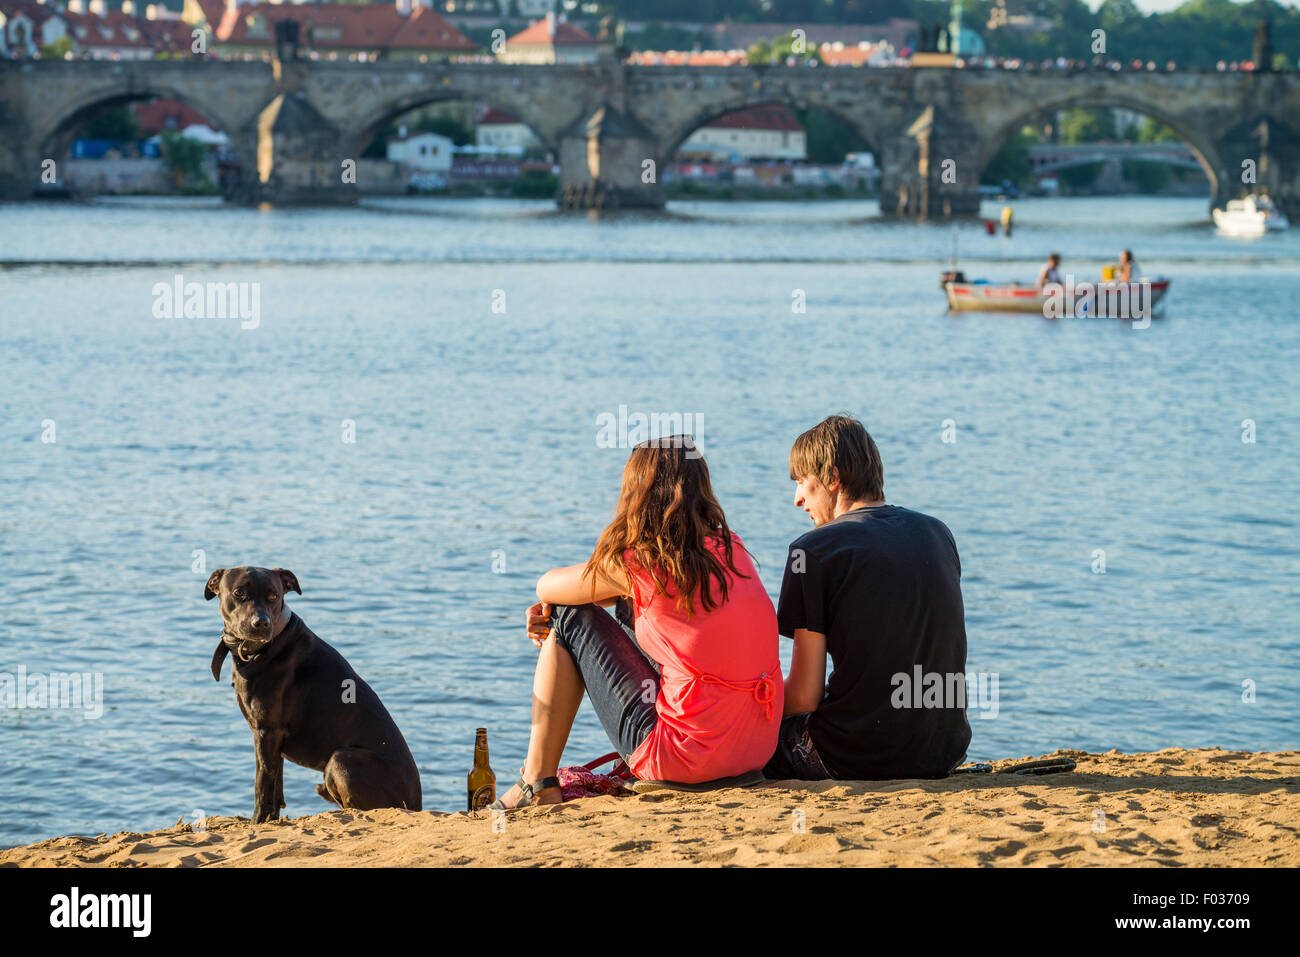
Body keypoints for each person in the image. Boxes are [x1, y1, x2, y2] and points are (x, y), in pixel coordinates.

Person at [496, 436, 784, 808]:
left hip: (686, 761)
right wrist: (615, 593)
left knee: (570, 617)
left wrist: (550, 609)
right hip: (753, 751)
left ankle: (536, 781)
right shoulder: (733, 549)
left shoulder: (637, 563)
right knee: (622, 605)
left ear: (638, 492)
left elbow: (546, 583)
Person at [764, 415, 972, 781]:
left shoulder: (812, 551)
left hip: (856, 755)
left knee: (748, 737)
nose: (797, 499)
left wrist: (735, 705)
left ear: (831, 477)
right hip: (943, 751)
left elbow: (803, 696)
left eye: (802, 483)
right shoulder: (937, 532)